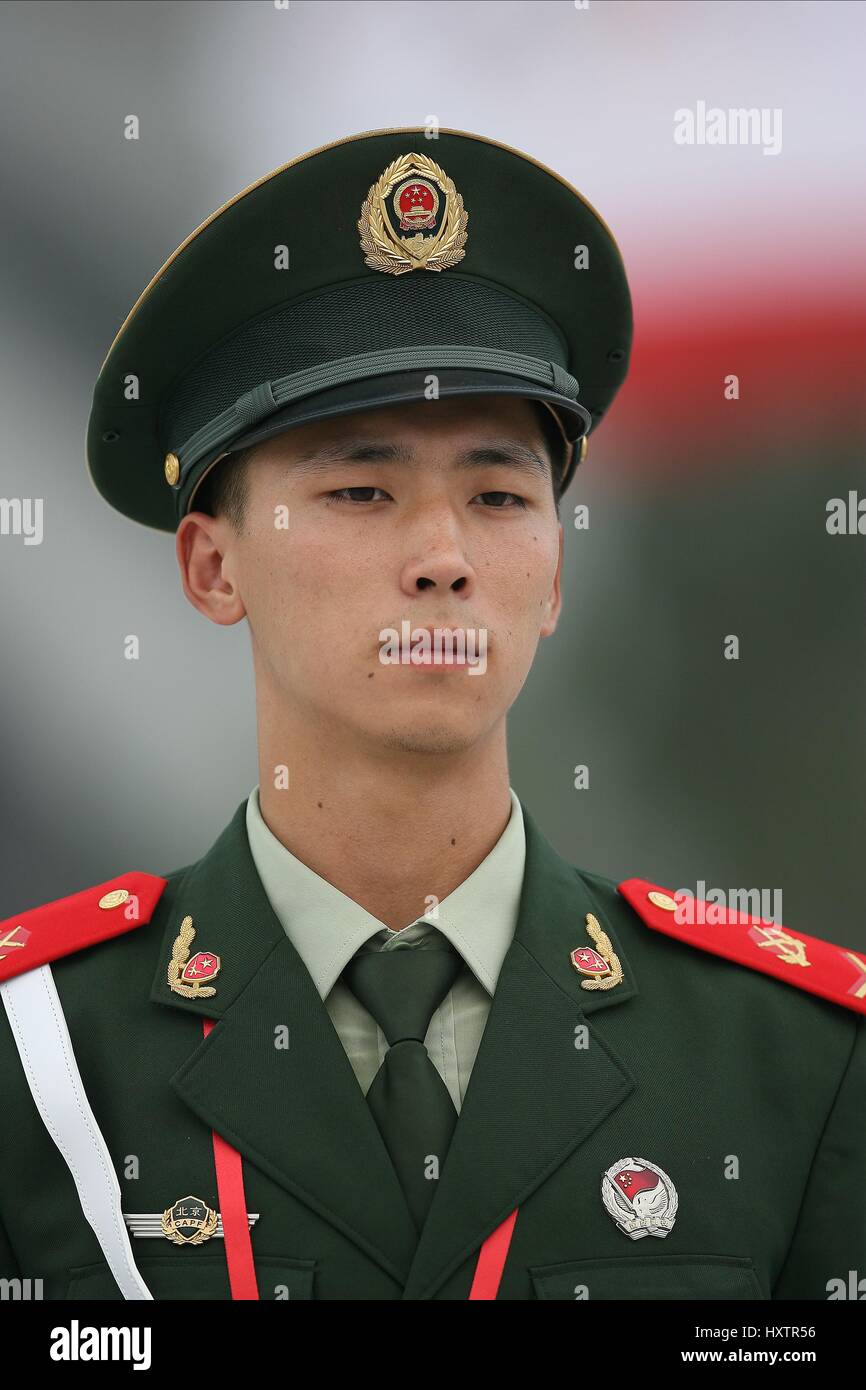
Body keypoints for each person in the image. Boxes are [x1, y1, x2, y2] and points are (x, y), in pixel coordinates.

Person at [0, 127, 863, 1303]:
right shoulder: (40, 1057)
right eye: (360, 489)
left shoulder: (793, 1058)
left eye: (499, 493)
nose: (444, 557)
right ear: (211, 568)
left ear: (552, 575)